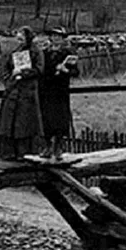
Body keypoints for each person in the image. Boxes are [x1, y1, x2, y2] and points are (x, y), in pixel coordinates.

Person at [0, 26, 45, 159]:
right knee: (8, 122)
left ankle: (25, 152)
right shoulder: (15, 52)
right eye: (18, 39)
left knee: (25, 124)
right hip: (13, 91)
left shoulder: (36, 52)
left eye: (22, 38)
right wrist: (10, 78)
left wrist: (24, 73)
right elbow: (5, 69)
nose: (19, 41)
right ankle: (9, 152)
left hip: (27, 92)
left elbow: (39, 70)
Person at [39, 27, 79, 160]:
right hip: (46, 90)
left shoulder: (68, 54)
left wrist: (65, 70)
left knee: (60, 118)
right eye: (54, 36)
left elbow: (76, 72)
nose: (56, 39)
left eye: (59, 36)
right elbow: (40, 70)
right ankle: (47, 146)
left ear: (63, 39)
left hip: (60, 91)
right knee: (46, 118)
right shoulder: (44, 53)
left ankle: (58, 147)